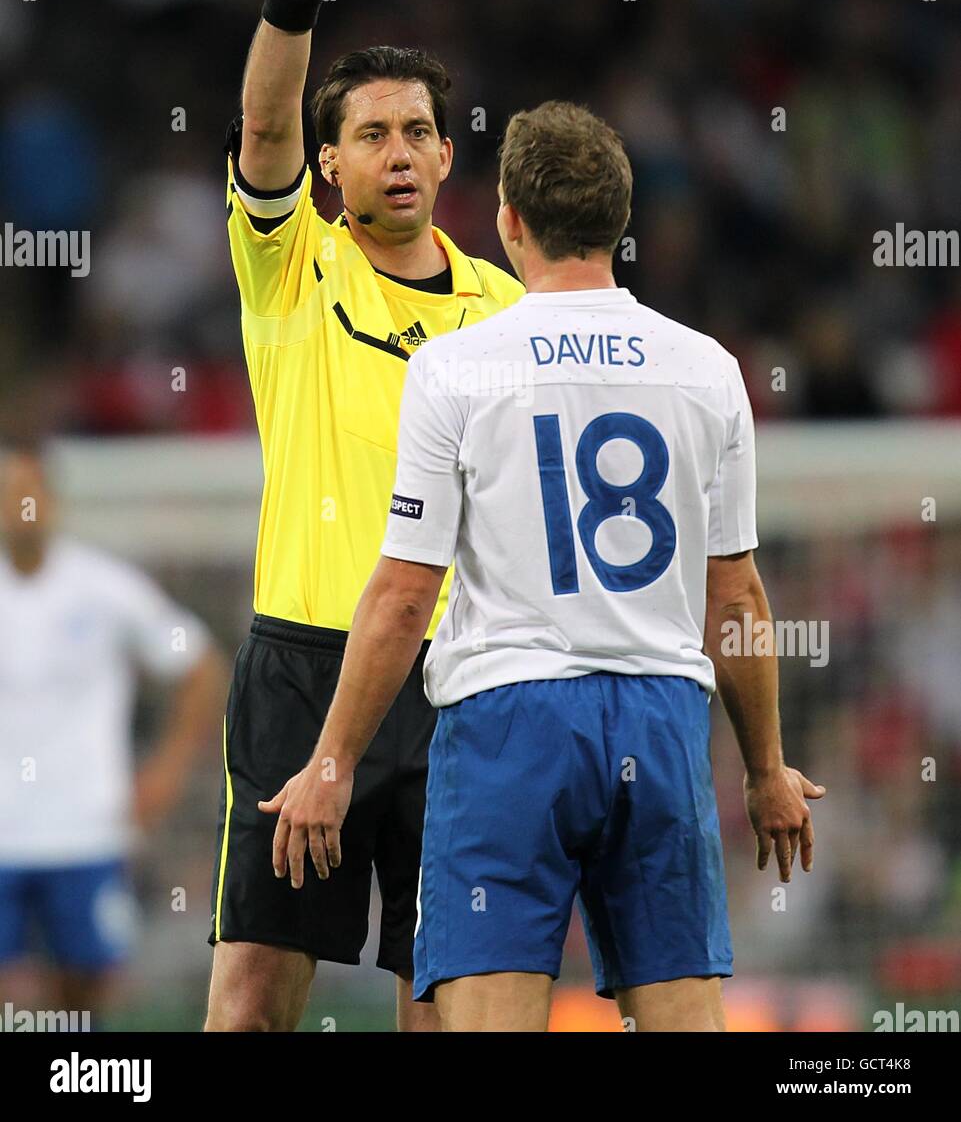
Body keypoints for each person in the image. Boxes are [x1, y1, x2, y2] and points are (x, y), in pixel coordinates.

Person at [261, 100, 827, 1032]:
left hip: (509, 721)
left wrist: (333, 761)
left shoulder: (455, 367)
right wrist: (765, 768)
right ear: (622, 224)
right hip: (659, 716)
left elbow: (406, 596)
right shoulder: (707, 370)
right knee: (686, 1016)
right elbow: (735, 596)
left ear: (508, 221)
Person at [204, 0, 523, 1033]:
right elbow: (262, 112)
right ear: (328, 163)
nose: (396, 150)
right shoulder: (293, 267)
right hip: (302, 668)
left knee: (436, 998)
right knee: (251, 999)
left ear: (448, 155)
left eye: (417, 130)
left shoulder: (506, 310)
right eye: (371, 133)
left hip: (462, 682)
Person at [0, 445, 223, 1026]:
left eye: (27, 493)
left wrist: (166, 772)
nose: (17, 507)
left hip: (85, 829)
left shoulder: (102, 588)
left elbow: (198, 664)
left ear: (50, 500)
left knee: (84, 996)